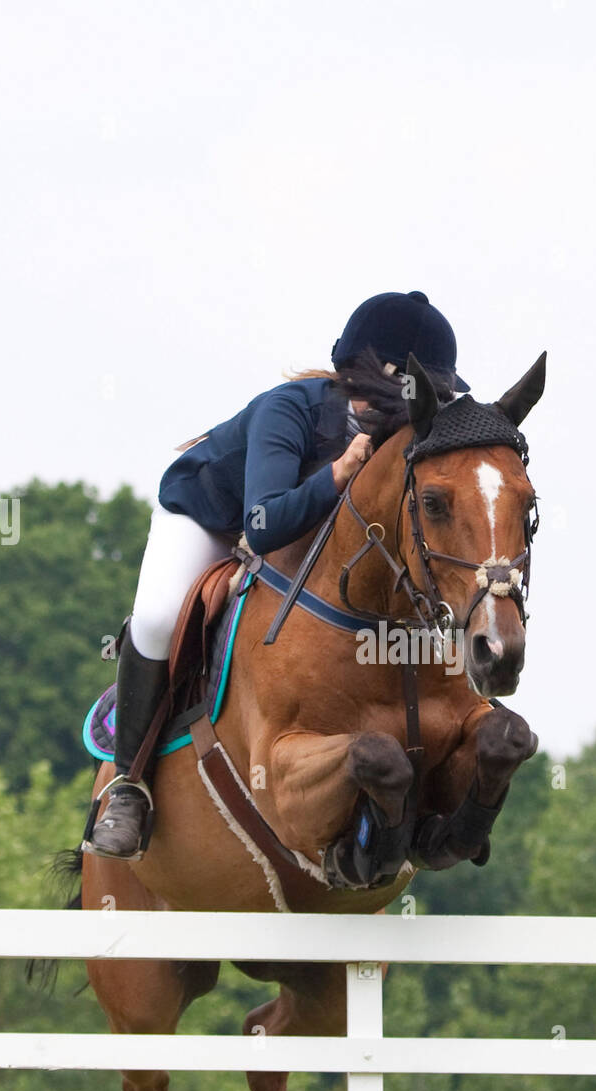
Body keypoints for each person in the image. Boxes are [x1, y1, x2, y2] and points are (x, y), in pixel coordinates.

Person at [83, 290, 469, 859]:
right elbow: (261, 526)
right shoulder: (288, 409)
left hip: (300, 535)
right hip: (212, 515)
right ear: (384, 375)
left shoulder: (397, 435)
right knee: (161, 617)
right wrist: (339, 473)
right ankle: (128, 785)